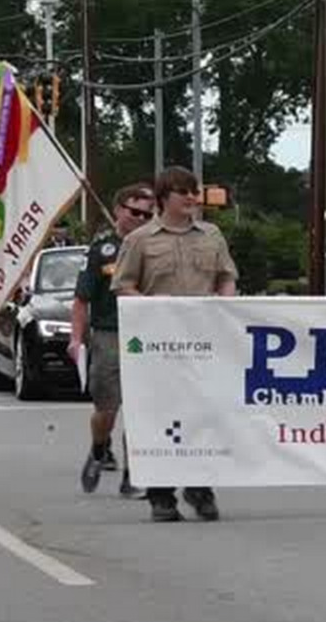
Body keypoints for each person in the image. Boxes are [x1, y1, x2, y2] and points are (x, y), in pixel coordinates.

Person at [112, 166, 238, 523]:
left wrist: (225, 305)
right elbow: (123, 284)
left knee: (204, 413)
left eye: (194, 191)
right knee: (159, 416)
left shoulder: (211, 236)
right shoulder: (140, 240)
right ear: (165, 197)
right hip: (158, 345)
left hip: (202, 343)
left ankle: (200, 485)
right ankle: (161, 493)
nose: (191, 198)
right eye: (183, 192)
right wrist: (153, 311)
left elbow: (226, 276)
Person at [72, 183, 156, 498]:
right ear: (119, 209)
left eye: (148, 214)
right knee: (108, 408)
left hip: (146, 334)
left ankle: (133, 476)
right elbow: (81, 299)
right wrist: (76, 338)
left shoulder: (155, 245)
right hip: (109, 332)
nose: (141, 218)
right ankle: (98, 449)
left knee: (139, 408)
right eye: (135, 212)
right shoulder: (102, 249)